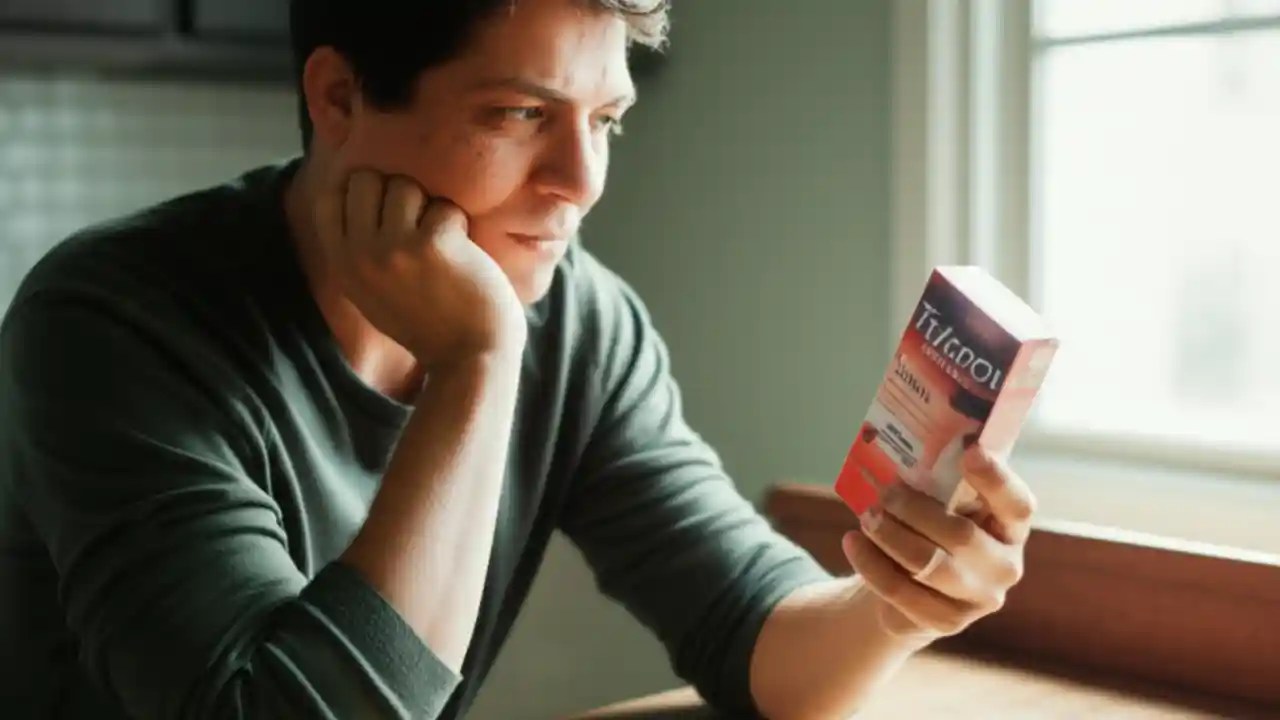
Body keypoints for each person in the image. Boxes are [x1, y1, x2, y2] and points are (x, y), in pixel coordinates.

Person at [0, 1, 1039, 718]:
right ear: (338, 99)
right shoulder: (111, 322)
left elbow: (753, 632)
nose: (580, 182)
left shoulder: (584, 320)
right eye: (518, 115)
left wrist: (892, 607)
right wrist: (480, 360)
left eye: (605, 121)